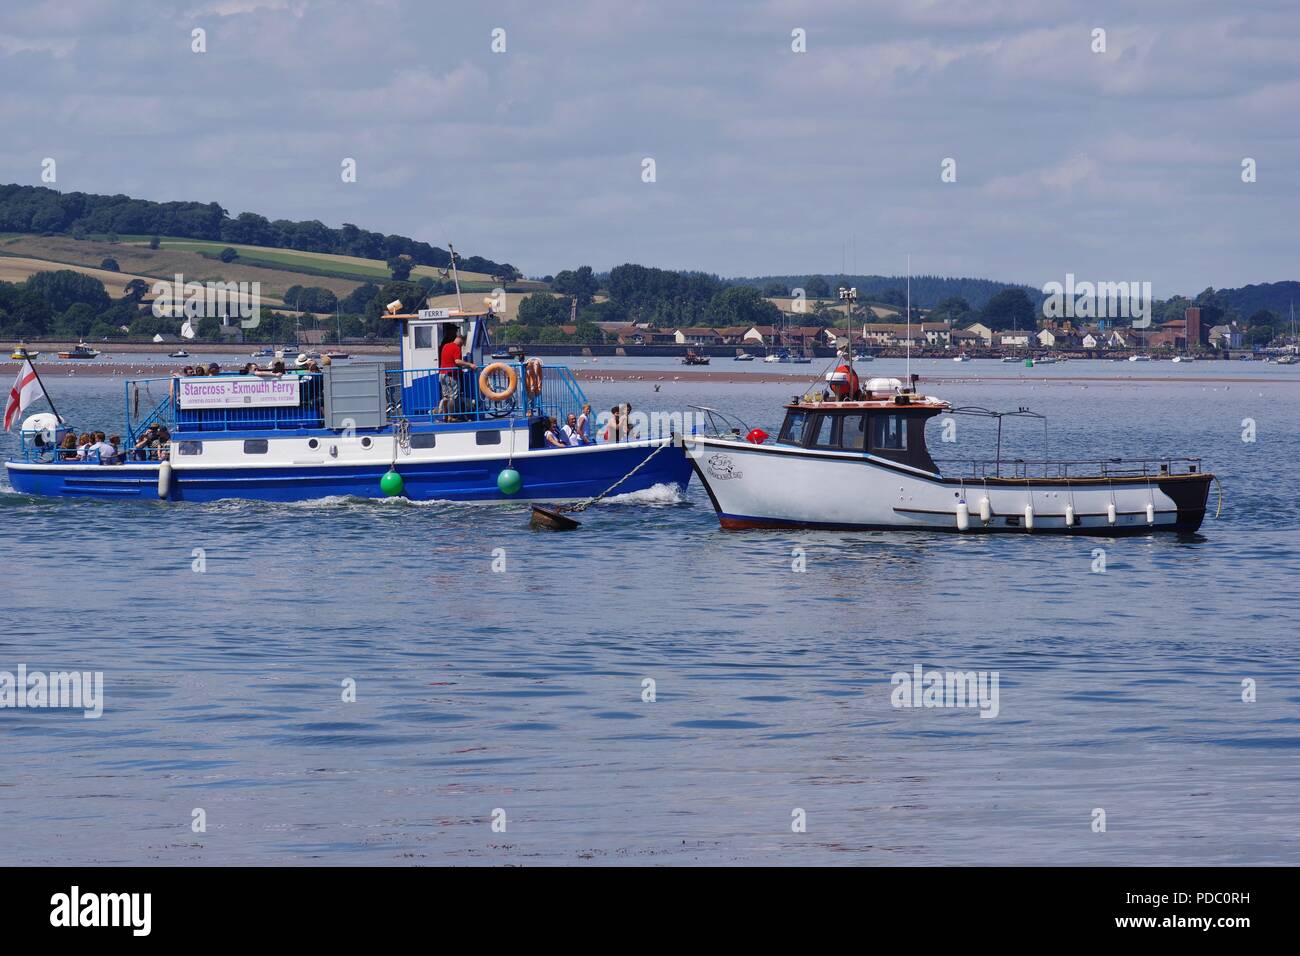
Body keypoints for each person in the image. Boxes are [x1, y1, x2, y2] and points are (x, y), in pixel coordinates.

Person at [437, 331, 476, 418]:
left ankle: (445, 416)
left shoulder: (445, 346)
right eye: (463, 343)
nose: (462, 345)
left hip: (442, 374)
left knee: (445, 396)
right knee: (453, 396)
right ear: (461, 340)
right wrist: (470, 365)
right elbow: (457, 361)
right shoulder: (456, 348)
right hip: (451, 375)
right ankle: (451, 416)